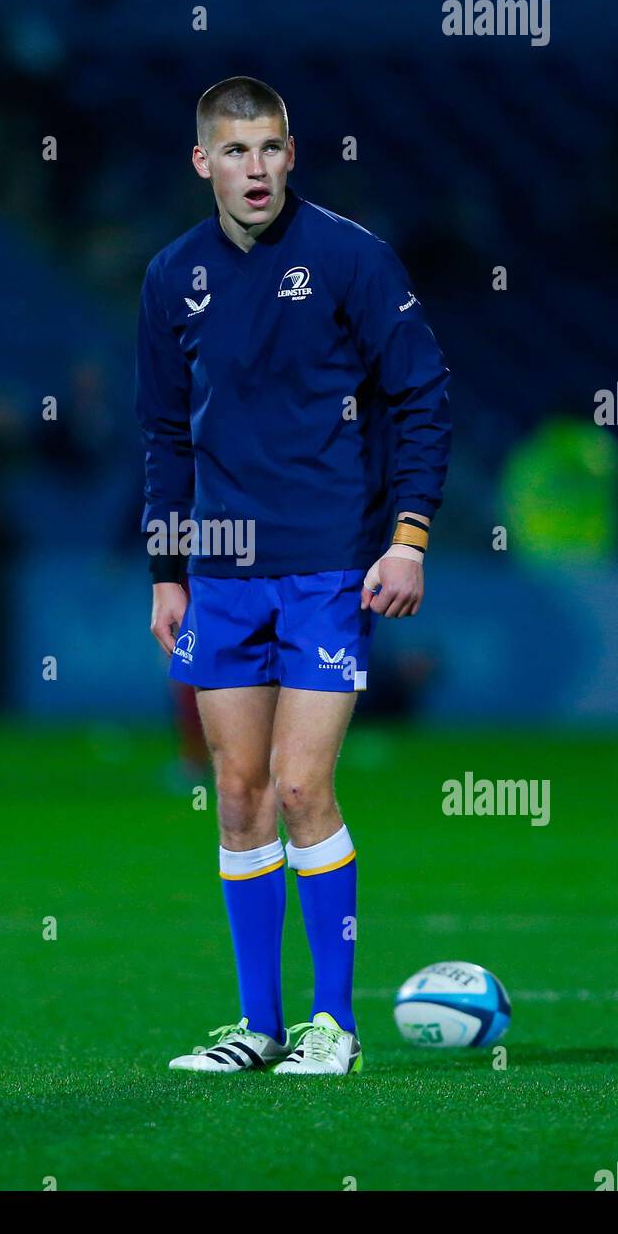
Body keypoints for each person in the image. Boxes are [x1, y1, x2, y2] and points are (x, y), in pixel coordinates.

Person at [135, 77, 452, 1075]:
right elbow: (158, 431)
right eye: (234, 152)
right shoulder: (169, 277)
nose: (256, 169)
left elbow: (422, 389)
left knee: (301, 782)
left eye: (270, 148)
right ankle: (257, 1028)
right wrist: (166, 570)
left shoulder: (352, 258)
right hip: (221, 574)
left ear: (291, 152)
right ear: (203, 164)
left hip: (324, 564)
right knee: (236, 793)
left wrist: (407, 537)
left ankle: (334, 1025)